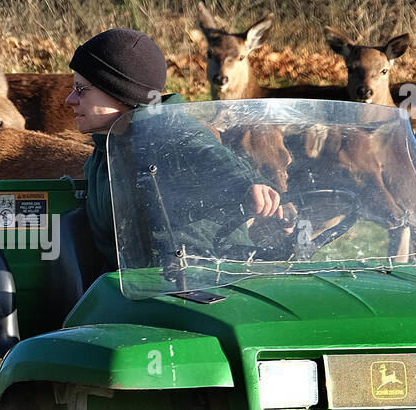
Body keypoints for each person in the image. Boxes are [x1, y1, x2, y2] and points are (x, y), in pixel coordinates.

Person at [66, 28, 282, 268]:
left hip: (200, 286)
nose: (70, 99)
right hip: (128, 291)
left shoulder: (172, 134)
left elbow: (208, 154)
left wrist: (248, 185)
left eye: (82, 90)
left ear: (120, 92)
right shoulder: (106, 150)